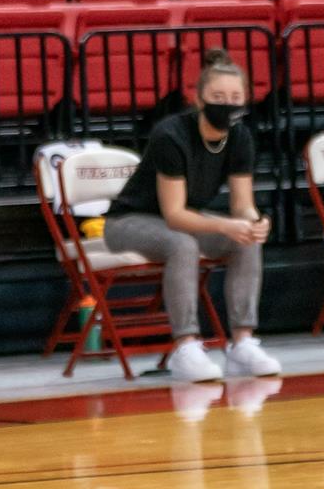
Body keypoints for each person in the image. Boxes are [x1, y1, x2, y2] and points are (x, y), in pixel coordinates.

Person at [101, 50, 280, 383]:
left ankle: (242, 343)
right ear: (199, 99)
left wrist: (254, 221)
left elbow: (242, 203)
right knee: (181, 243)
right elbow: (174, 216)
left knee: (246, 239)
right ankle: (186, 347)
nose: (227, 105)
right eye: (218, 97)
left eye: (235, 98)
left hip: (187, 218)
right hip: (128, 222)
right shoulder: (171, 135)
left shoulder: (240, 137)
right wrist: (227, 223)